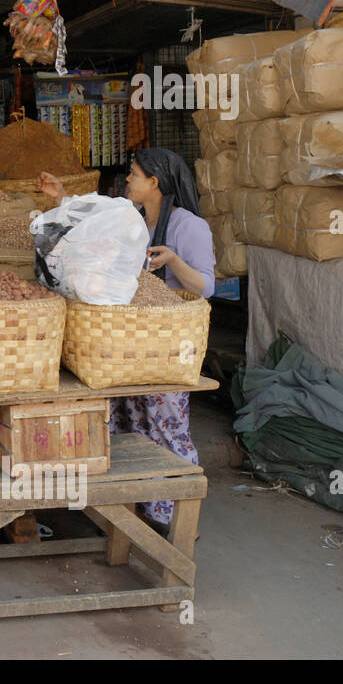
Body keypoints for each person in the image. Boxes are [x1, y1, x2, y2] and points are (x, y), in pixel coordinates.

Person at [37, 148, 214, 533]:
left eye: (133, 175)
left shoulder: (188, 226)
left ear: (154, 182)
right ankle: (128, 510)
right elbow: (95, 222)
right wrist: (61, 198)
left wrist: (172, 262)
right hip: (124, 340)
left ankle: (174, 518)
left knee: (166, 427)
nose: (127, 181)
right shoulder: (130, 218)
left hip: (167, 342)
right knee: (126, 422)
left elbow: (206, 285)